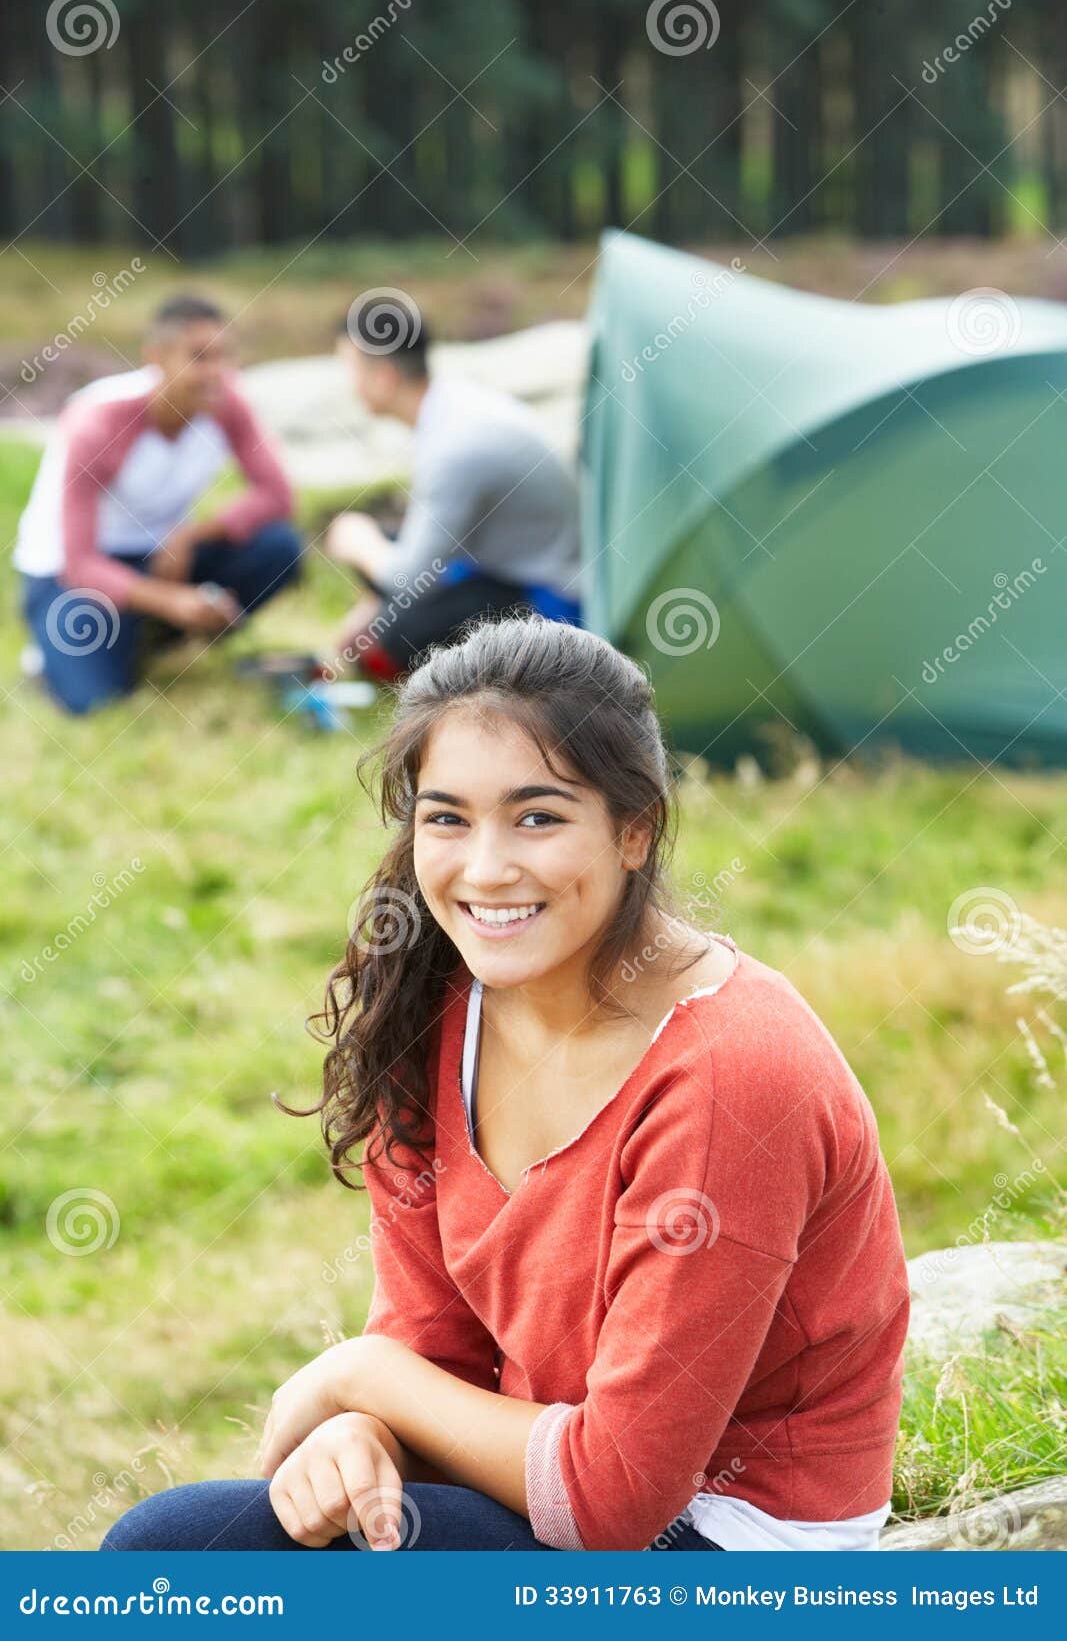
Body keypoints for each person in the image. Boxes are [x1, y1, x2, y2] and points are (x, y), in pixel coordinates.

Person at [100, 615, 909, 1553]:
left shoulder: (732, 1075)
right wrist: (366, 1431)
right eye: (446, 817)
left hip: (728, 1539)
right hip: (543, 1466)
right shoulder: (434, 1007)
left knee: (168, 1557)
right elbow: (431, 1348)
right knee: (179, 1552)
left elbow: (614, 1502)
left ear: (635, 831)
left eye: (538, 816)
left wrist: (360, 1379)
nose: (485, 871)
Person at [14, 295, 302, 715]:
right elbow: (79, 563)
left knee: (278, 548)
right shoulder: (98, 424)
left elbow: (277, 495)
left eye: (224, 356)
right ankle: (68, 648)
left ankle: (147, 634)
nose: (216, 372)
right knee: (94, 701)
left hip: (159, 555)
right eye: (199, 357)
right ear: (156, 358)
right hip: (72, 576)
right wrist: (170, 601)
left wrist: (191, 534)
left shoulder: (227, 404)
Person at [324, 296, 583, 681]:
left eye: (350, 369)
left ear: (383, 377)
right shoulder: (452, 406)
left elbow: (409, 577)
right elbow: (432, 547)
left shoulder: (455, 444)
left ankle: (416, 667)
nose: (350, 386)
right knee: (384, 548)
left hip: (547, 596)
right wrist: (371, 607)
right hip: (496, 563)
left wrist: (356, 543)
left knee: (396, 632)